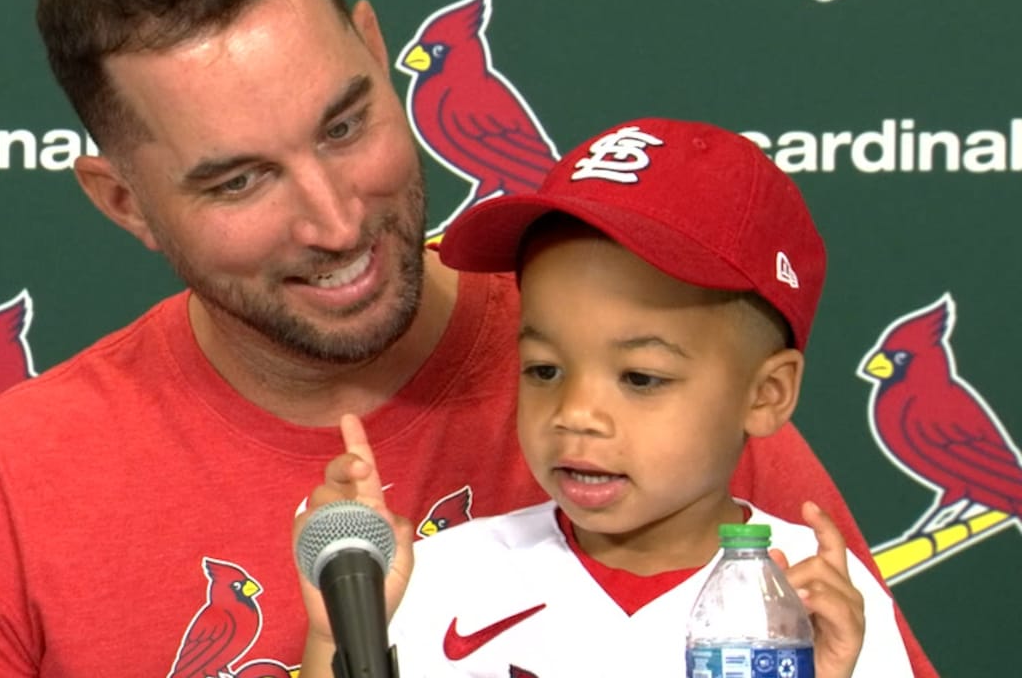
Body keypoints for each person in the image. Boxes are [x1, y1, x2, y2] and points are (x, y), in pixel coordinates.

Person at [0, 0, 936, 677]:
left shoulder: (672, 374)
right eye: (240, 183)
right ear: (123, 202)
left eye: (346, 124)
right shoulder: (3, 500)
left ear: (378, 51)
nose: (335, 221)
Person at [294, 118, 916, 678]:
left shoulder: (815, 600)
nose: (575, 414)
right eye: (544, 369)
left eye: (641, 377)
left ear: (767, 393)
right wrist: (342, 629)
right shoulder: (440, 576)